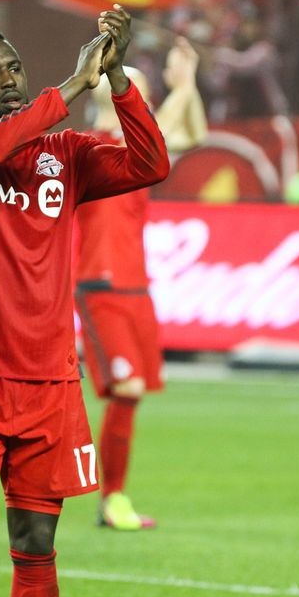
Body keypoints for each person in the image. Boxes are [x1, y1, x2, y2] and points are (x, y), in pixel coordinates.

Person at [0, 5, 169, 597]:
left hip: (48, 382)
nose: (8, 79)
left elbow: (150, 164)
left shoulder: (66, 153)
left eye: (16, 68)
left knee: (35, 541)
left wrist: (118, 82)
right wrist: (75, 83)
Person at [74, 37, 205, 531]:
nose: (141, 102)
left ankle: (114, 500)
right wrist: (184, 86)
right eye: (134, 92)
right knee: (125, 385)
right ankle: (111, 498)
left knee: (133, 394)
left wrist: (186, 89)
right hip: (99, 285)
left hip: (134, 285)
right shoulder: (95, 145)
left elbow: (194, 131)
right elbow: (167, 126)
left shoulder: (139, 143)